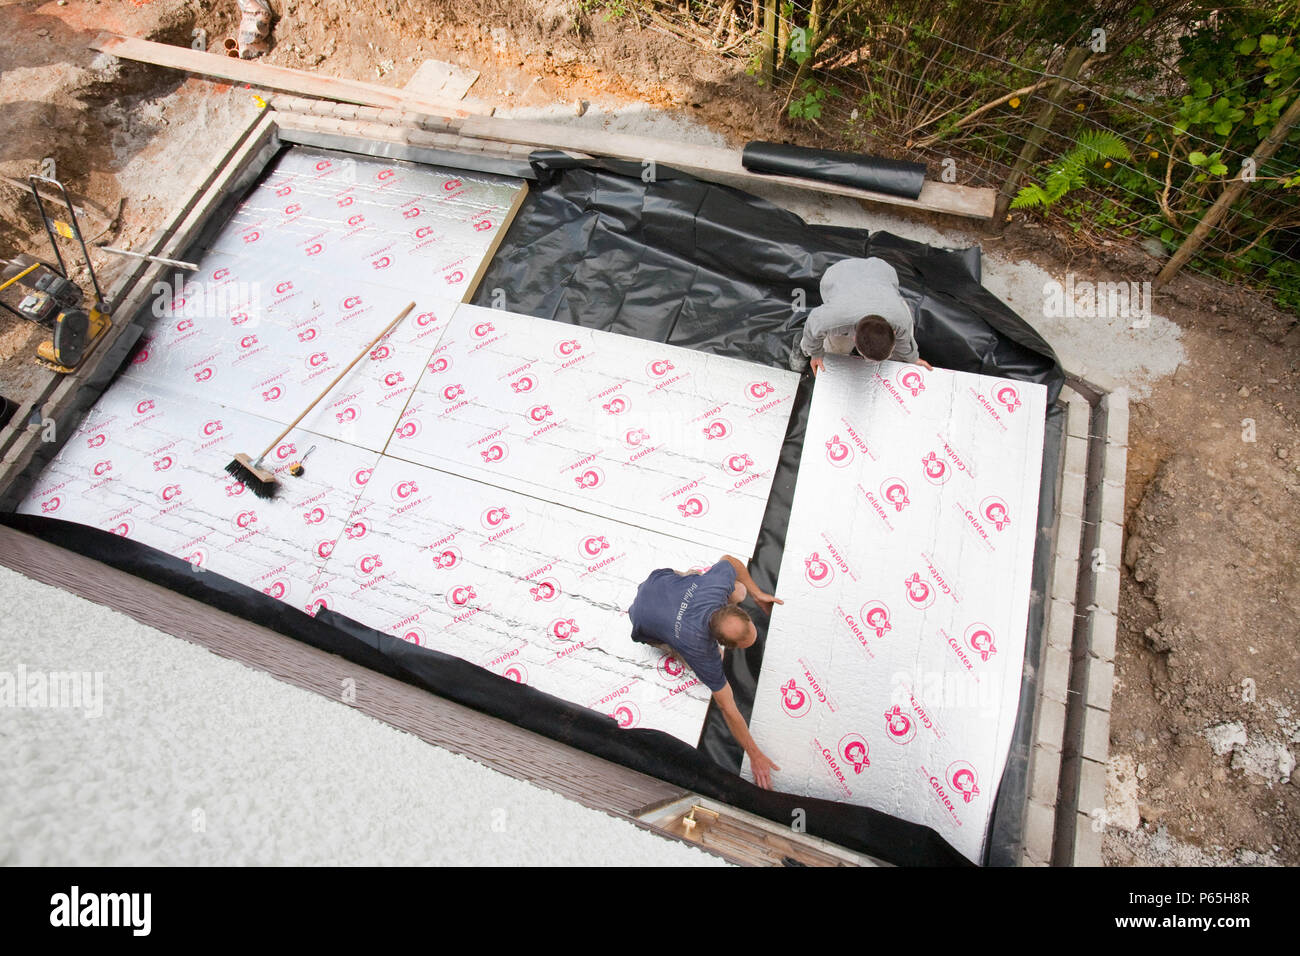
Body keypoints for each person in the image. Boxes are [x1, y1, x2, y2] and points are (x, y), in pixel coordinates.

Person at [628, 555, 783, 789]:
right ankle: (671, 643)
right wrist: (754, 754)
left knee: (740, 590)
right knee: (694, 644)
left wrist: (757, 593)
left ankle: (688, 584)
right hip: (641, 621)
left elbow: (730, 561)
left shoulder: (713, 586)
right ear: (721, 644)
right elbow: (727, 708)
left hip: (659, 583)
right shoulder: (703, 652)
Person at [791, 256, 933, 375]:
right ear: (853, 338)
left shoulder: (901, 320)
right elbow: (813, 324)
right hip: (839, 275)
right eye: (866, 358)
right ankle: (801, 343)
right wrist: (816, 354)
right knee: (835, 351)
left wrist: (912, 358)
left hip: (880, 270)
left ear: (894, 333)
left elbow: (905, 341)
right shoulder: (833, 319)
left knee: (900, 355)